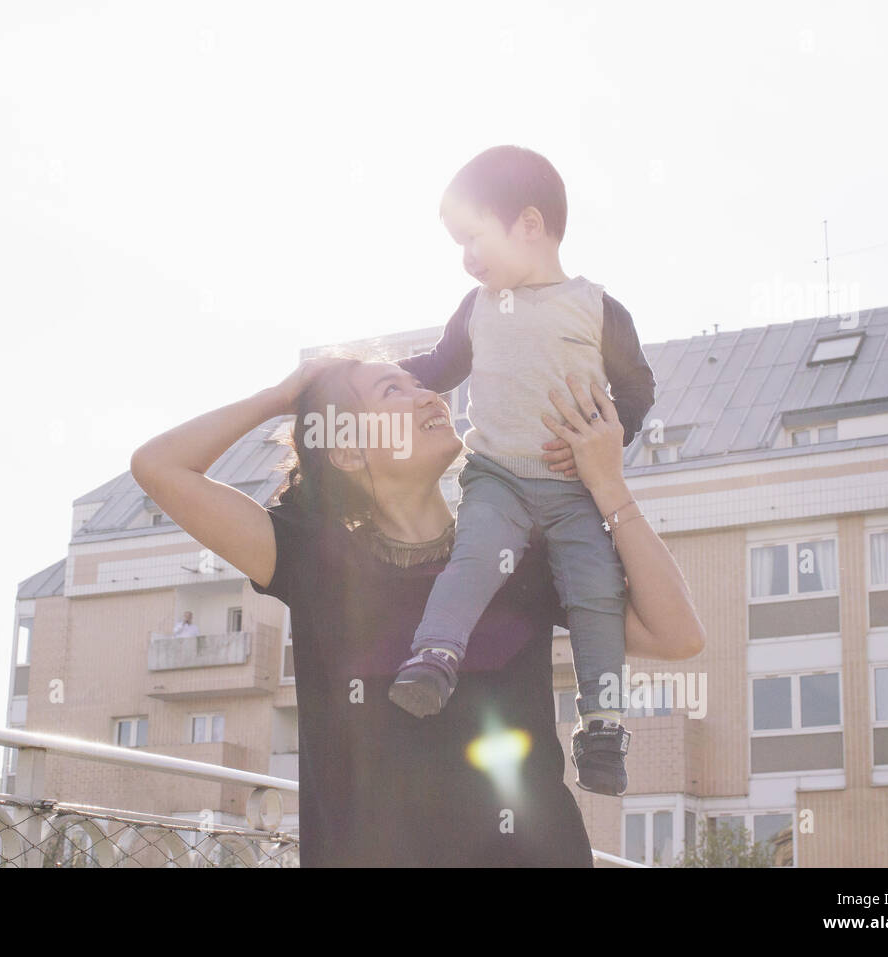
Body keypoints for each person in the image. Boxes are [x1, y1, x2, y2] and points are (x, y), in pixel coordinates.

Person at [129, 356, 704, 867]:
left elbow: (676, 634)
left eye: (420, 385)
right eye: (391, 392)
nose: (432, 396)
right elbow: (159, 467)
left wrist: (608, 484)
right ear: (348, 448)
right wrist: (283, 395)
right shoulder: (312, 559)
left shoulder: (518, 556)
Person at [389, 145, 656, 798]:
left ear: (529, 225)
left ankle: (602, 724)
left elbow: (638, 388)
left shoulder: (597, 310)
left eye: (473, 237)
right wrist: (377, 374)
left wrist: (606, 435)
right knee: (474, 556)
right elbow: (440, 365)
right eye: (459, 244)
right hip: (498, 479)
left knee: (597, 592)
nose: (467, 257)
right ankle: (435, 655)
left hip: (576, 491)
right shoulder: (477, 307)